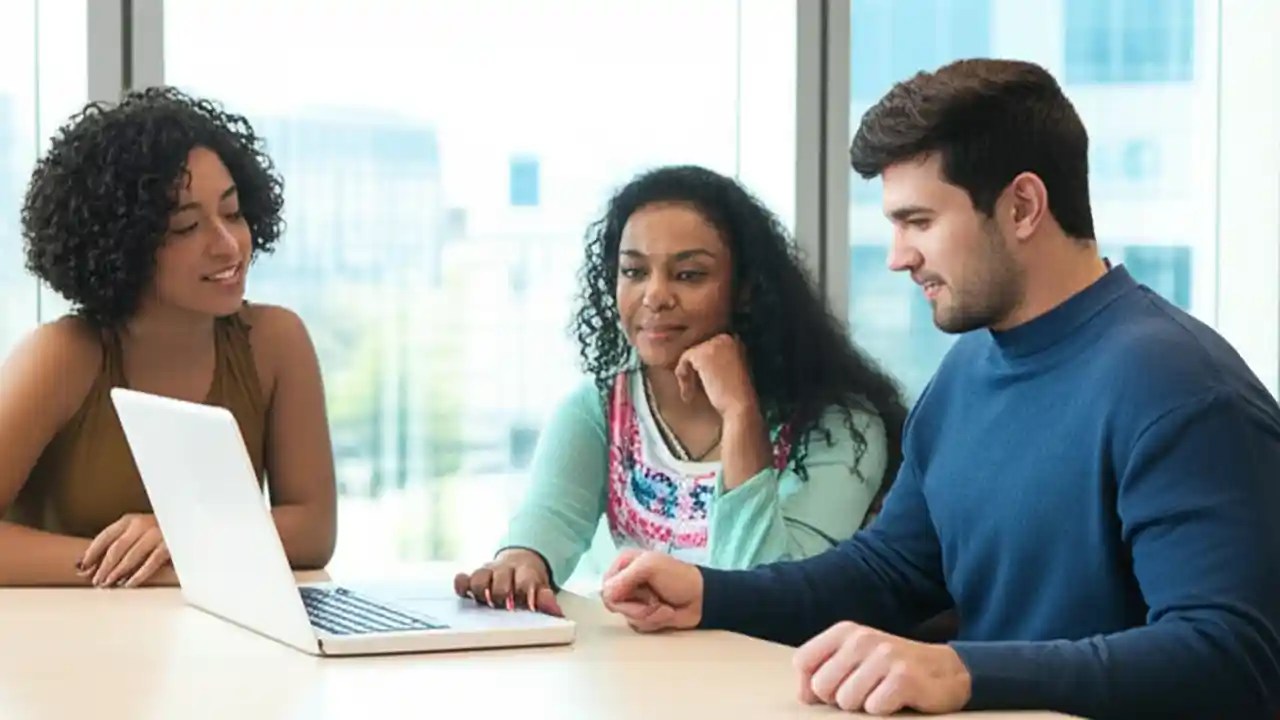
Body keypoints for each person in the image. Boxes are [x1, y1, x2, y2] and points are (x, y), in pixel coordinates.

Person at [598, 59, 1280, 719]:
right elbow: (889, 573)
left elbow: (1230, 656)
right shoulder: (967, 371)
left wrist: (965, 669)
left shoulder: (1181, 390)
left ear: (1022, 206)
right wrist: (709, 596)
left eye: (918, 222)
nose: (898, 257)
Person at [455, 165, 908, 614]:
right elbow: (549, 522)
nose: (654, 295)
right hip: (648, 677)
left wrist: (739, 413)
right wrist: (520, 562)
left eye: (688, 275)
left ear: (746, 290)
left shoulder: (838, 426)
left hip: (781, 678)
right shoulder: (600, 408)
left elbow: (771, 599)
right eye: (634, 271)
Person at [0, 88, 337, 587]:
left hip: (215, 647)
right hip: (66, 647)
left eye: (233, 213)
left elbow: (311, 530)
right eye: (186, 227)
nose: (228, 246)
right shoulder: (62, 356)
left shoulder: (275, 342)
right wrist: (162, 562)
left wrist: (183, 536)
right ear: (123, 245)